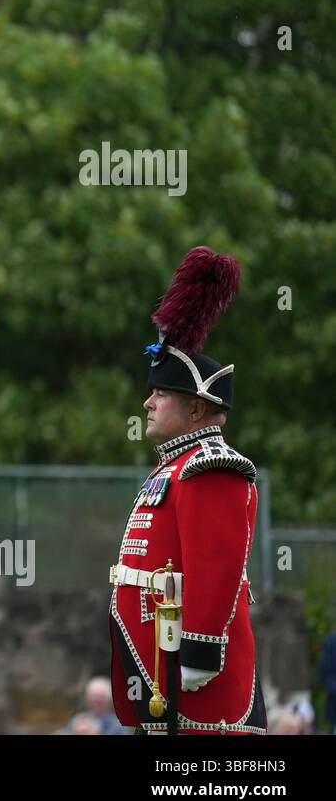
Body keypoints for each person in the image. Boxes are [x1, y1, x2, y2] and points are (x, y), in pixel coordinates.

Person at [108, 247, 267, 735]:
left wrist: (198, 651)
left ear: (197, 410)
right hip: (160, 673)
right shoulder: (174, 467)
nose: (147, 402)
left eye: (161, 394)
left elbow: (215, 567)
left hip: (197, 687)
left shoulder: (211, 466)